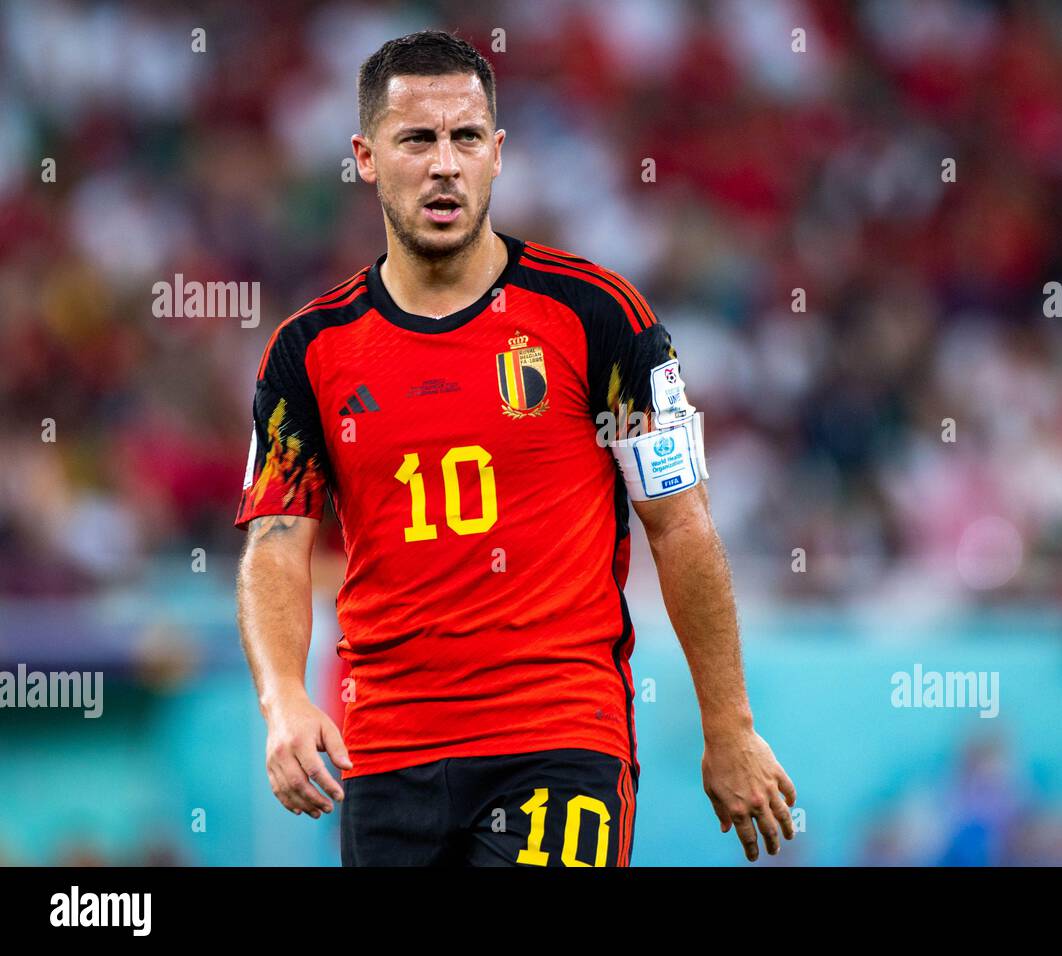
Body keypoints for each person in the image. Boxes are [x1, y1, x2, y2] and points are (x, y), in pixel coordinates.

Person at [233, 29, 795, 866]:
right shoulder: (308, 350)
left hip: (559, 735)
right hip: (388, 748)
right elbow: (276, 543)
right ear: (364, 155)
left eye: (465, 138)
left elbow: (681, 523)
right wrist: (281, 699)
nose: (444, 164)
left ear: (497, 155)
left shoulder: (602, 318)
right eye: (417, 139)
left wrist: (729, 725)